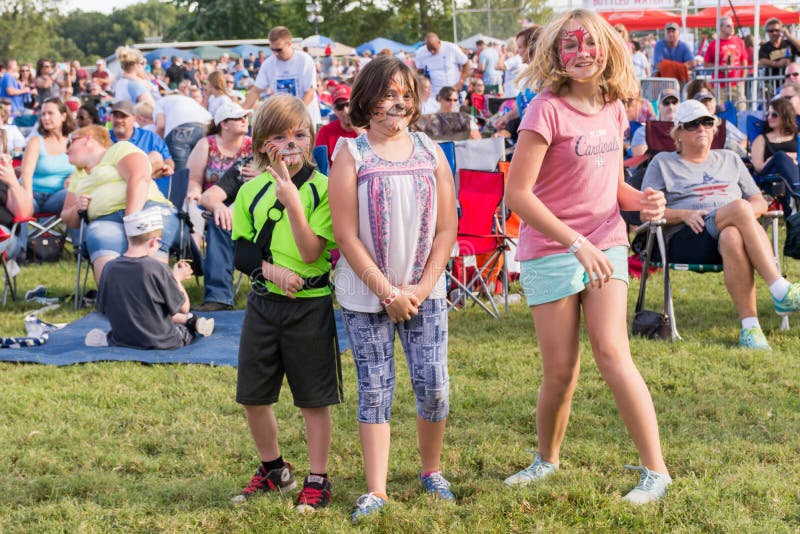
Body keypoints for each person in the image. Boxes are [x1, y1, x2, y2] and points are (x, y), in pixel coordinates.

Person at [503, 9, 671, 503]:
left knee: (613, 352)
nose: (581, 54)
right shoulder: (544, 110)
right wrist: (577, 244)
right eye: (569, 46)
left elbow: (613, 184)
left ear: (607, 49)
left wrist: (641, 201)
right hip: (553, 250)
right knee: (561, 371)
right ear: (556, 54)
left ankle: (655, 471)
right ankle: (547, 460)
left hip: (607, 240)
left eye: (589, 44)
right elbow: (519, 194)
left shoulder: (613, 105)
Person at [328, 56, 458, 522]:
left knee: (434, 385)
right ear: (366, 99)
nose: (397, 104)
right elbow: (346, 235)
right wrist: (387, 293)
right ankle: (377, 490)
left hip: (426, 293)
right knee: (375, 389)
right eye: (386, 94)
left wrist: (422, 288)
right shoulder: (351, 153)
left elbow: (448, 228)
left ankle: (430, 471)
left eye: (405, 94)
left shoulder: (431, 150)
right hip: (367, 297)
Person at [229, 95, 341, 513]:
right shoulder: (251, 191)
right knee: (254, 396)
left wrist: (292, 198)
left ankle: (317, 477)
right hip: (263, 304)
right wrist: (272, 272)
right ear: (261, 145)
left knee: (313, 399)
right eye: (279, 137)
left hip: (309, 306)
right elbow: (241, 252)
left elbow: (313, 253)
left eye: (299, 135)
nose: (290, 144)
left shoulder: (323, 190)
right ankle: (274, 469)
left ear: (311, 138)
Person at [642, 99, 800, 349]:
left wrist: (743, 216)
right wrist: (681, 214)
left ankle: (750, 330)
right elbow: (646, 213)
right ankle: (780, 289)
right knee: (738, 207)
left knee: (732, 235)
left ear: (714, 128)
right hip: (689, 236)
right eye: (693, 124)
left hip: (730, 233)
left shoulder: (730, 159)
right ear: (678, 132)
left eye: (707, 122)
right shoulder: (662, 162)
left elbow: (758, 200)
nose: (701, 128)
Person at [60, 125, 180, 284]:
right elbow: (67, 217)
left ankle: (156, 298)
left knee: (146, 233)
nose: (66, 150)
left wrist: (132, 224)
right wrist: (77, 208)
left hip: (146, 208)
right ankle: (115, 299)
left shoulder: (118, 150)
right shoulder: (77, 175)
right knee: (99, 236)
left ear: (88, 138)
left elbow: (139, 177)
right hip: (106, 220)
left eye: (71, 142)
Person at [84, 206, 214, 349]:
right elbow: (183, 307)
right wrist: (176, 278)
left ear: (128, 237)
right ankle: (193, 322)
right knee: (185, 324)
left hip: (122, 340)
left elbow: (104, 308)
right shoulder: (157, 268)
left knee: (150, 312)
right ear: (153, 242)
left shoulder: (109, 267)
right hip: (163, 341)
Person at [186, 102, 252, 310]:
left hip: (241, 202)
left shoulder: (252, 146)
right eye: (238, 117)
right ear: (223, 123)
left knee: (222, 218)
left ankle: (217, 291)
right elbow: (194, 178)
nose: (244, 120)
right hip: (210, 197)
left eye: (245, 117)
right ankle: (194, 256)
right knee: (198, 210)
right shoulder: (207, 144)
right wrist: (195, 193)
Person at [244, 26, 321, 128]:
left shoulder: (304, 60)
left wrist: (293, 115)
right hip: (283, 121)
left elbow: (310, 93)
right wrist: (241, 113)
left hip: (305, 119)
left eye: (279, 49)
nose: (275, 53)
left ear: (289, 44)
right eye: (272, 50)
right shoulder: (268, 63)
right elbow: (255, 91)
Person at [19, 98, 76, 214]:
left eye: (50, 113)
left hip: (57, 196)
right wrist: (28, 199)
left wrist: (74, 176)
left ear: (63, 117)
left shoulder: (73, 141)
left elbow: (84, 167)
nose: (45, 118)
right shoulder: (36, 141)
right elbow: (26, 174)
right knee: (21, 205)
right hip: (33, 194)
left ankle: (83, 233)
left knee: (77, 193)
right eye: (43, 114)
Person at [492, 26, 541, 141]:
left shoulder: (547, 75)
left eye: (520, 47)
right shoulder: (531, 73)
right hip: (529, 134)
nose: (517, 51)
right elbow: (525, 104)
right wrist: (507, 117)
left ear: (532, 48)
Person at [750, 98, 799, 208]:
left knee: (782, 156)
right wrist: (775, 158)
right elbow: (758, 168)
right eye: (768, 114)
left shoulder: (797, 137)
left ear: (785, 115)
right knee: (780, 155)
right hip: (770, 174)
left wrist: (790, 157)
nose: (769, 118)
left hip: (795, 169)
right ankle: (797, 191)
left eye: (774, 114)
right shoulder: (761, 139)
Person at [108, 101, 174, 179]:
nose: (119, 120)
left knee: (155, 156)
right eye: (116, 116)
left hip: (147, 183)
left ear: (134, 118)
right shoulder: (103, 137)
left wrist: (168, 167)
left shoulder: (150, 137)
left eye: (123, 116)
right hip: (112, 181)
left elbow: (167, 159)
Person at [154, 92, 213, 172]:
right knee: (199, 171)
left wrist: (157, 147)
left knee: (179, 173)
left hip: (182, 130)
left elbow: (161, 126)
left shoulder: (161, 102)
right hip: (207, 127)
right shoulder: (190, 101)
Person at [703, 16, 748, 110]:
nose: (731, 28)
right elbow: (706, 64)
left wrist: (742, 80)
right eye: (728, 26)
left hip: (736, 84)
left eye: (732, 25)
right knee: (720, 112)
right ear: (720, 28)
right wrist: (719, 67)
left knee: (740, 110)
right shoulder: (714, 44)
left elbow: (744, 61)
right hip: (720, 86)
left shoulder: (739, 41)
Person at [414, 32, 471, 96]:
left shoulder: (451, 48)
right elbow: (420, 71)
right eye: (429, 49)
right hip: (434, 93)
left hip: (453, 89)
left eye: (434, 49)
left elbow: (466, 63)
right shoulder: (420, 52)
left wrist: (461, 82)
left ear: (439, 42)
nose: (432, 51)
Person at [692, 89, 747, 154]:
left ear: (714, 103)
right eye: (704, 102)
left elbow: (744, 139)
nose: (708, 104)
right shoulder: (690, 125)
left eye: (710, 101)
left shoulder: (722, 123)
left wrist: (734, 153)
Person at [315, 83, 360, 161]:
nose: (345, 111)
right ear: (334, 110)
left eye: (348, 104)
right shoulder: (325, 132)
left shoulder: (369, 128)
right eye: (340, 107)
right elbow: (321, 165)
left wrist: (360, 133)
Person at [630, 88, 680, 157]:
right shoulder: (644, 132)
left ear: (679, 106)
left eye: (674, 102)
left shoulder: (686, 131)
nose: (671, 107)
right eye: (666, 103)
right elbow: (641, 165)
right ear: (658, 107)